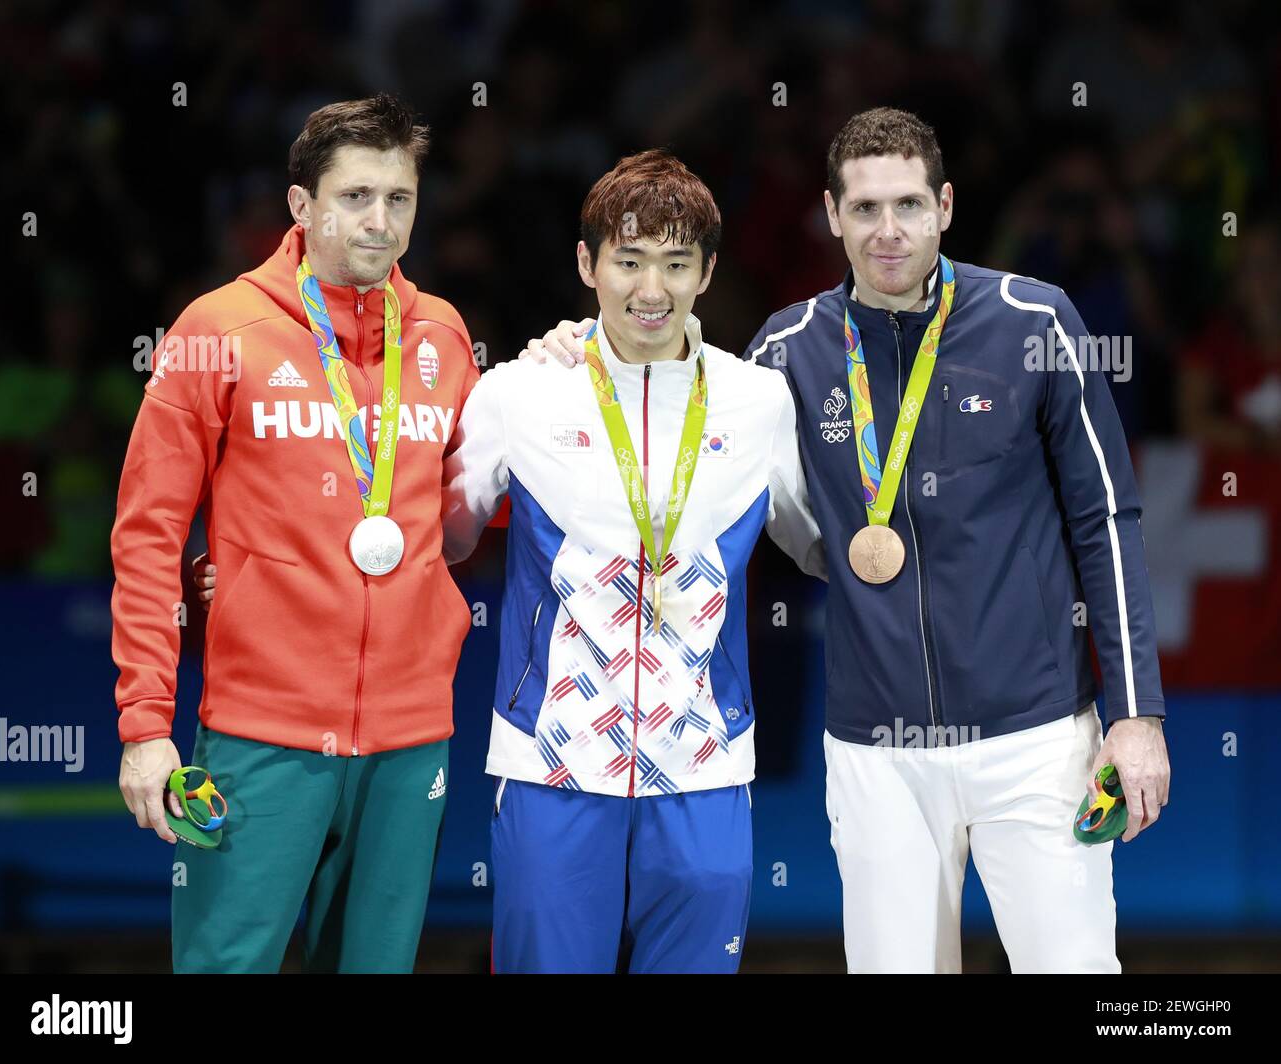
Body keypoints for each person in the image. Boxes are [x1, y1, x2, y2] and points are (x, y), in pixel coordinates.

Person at [527, 108, 1171, 974]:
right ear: (832, 214)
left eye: (908, 205)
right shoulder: (784, 354)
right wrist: (574, 351)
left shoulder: (1033, 322)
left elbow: (1107, 520)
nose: (888, 232)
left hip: (1037, 734)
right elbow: (669, 407)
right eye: (864, 210)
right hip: (876, 752)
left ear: (945, 205)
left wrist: (1134, 716)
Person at [112, 94, 478, 973]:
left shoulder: (445, 336)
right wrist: (143, 724)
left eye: (399, 197)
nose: (380, 222)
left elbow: (479, 505)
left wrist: (567, 380)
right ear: (301, 206)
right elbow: (150, 535)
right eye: (355, 197)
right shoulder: (215, 332)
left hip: (409, 737)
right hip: (260, 733)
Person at [441, 150, 825, 973]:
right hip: (552, 759)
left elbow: (823, 549)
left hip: (704, 763)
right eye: (629, 261)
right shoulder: (518, 395)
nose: (652, 290)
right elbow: (443, 538)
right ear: (588, 264)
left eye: (676, 263)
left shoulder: (759, 402)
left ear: (708, 272)